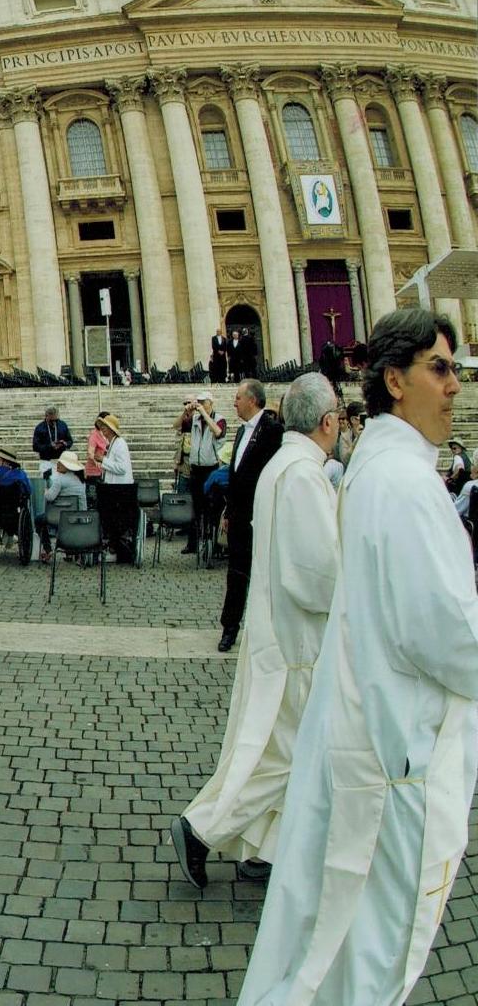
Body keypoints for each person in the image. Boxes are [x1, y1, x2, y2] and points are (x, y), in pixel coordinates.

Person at [238, 310, 477, 1004]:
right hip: (400, 750)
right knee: (373, 956)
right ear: (394, 380)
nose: (455, 385)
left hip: (368, 724)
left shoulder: (376, 465)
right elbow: (446, 635)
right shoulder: (402, 482)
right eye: (440, 368)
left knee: (339, 946)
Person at [172, 373, 341, 891]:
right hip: (299, 643)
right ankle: (202, 829)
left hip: (275, 631)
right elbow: (317, 574)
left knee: (276, 748)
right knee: (291, 755)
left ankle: (263, 851)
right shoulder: (304, 475)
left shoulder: (280, 467)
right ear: (328, 422)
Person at [218, 380, 284, 653]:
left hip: (262, 514)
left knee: (264, 574)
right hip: (239, 515)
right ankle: (229, 627)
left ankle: (268, 630)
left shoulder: (272, 430)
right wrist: (228, 511)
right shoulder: (240, 431)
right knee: (236, 573)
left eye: (238, 397)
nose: (234, 402)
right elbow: (235, 476)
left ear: (252, 400)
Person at [177, 393, 225, 554]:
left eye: (203, 402)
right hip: (195, 469)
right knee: (195, 507)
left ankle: (215, 543)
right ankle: (193, 543)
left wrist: (204, 414)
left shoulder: (219, 419)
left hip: (211, 468)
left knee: (213, 507)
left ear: (211, 403)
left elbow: (218, 432)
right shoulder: (195, 419)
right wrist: (186, 412)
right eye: (199, 402)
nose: (200, 405)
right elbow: (176, 426)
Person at [94, 414, 136, 563]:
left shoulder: (120, 444)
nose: (102, 430)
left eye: (105, 427)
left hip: (120, 490)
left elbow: (122, 468)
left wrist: (103, 460)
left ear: (111, 429)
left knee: (115, 522)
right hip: (113, 488)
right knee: (111, 521)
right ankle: (113, 548)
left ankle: (116, 550)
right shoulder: (112, 443)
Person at [39, 450, 87, 562]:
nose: (58, 464)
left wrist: (45, 491)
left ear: (67, 466)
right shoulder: (81, 481)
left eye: (60, 463)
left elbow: (50, 497)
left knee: (39, 520)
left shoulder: (60, 480)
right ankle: (69, 552)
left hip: (56, 517)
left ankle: (47, 549)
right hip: (75, 516)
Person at [31, 406, 72, 478]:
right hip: (46, 462)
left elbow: (70, 441)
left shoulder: (62, 425)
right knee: (47, 483)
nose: (54, 423)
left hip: (60, 461)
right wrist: (49, 446)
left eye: (56, 420)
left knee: (61, 483)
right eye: (51, 420)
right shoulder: (40, 428)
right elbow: (35, 446)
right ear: (46, 417)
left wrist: (64, 444)